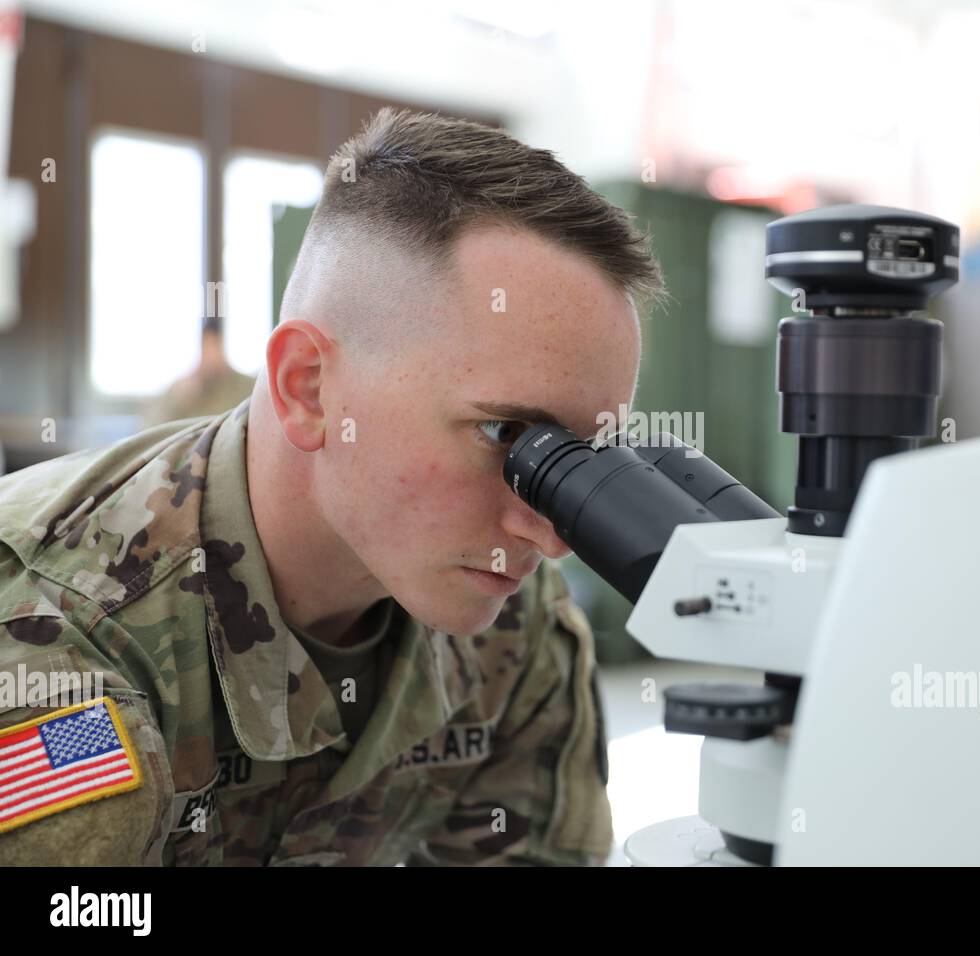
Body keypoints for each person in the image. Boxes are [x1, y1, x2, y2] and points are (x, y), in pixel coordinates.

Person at [0, 108, 663, 865]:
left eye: (579, 459)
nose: (550, 536)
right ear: (308, 388)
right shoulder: (55, 645)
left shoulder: (514, 618)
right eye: (506, 436)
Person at [142, 316, 257, 427]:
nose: (210, 354)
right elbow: (151, 429)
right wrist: (179, 402)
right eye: (206, 346)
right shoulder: (182, 390)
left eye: (214, 345)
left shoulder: (247, 388)